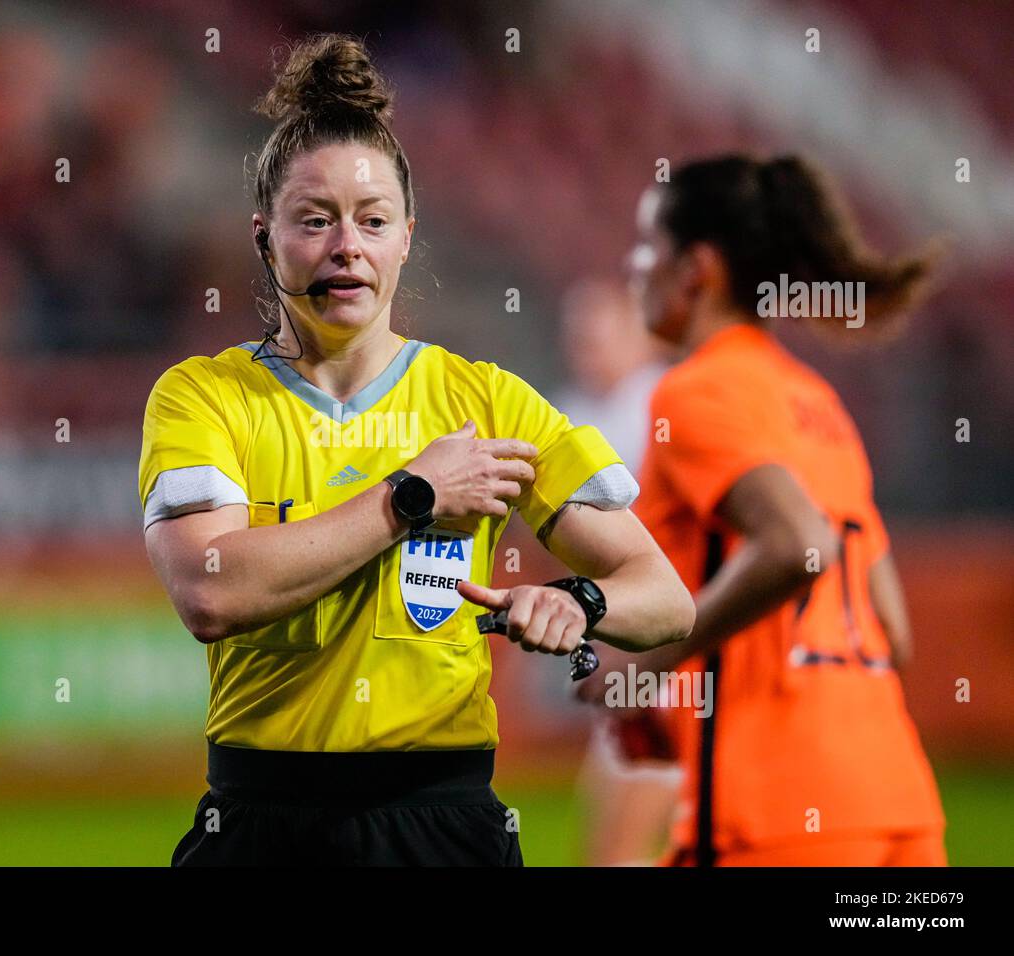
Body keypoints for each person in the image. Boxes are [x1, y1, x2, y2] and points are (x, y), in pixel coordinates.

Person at [137, 34, 695, 867]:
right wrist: (411, 495)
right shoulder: (203, 396)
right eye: (314, 220)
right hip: (259, 823)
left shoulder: (488, 402)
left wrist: (580, 602)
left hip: (442, 827)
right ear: (265, 236)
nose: (345, 247)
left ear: (406, 237)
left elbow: (667, 599)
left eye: (371, 221)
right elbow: (210, 595)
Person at [580, 153, 946, 866]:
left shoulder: (695, 393)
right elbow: (891, 635)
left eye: (650, 243)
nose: (634, 265)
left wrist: (647, 668)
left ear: (698, 269)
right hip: (898, 808)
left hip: (775, 813)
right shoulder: (818, 403)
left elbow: (798, 546)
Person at [550, 279, 682, 867]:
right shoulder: (572, 410)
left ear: (641, 338)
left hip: (673, 644)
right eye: (578, 334)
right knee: (614, 844)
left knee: (622, 846)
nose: (587, 346)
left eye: (601, 331)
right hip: (624, 639)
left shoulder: (662, 405)